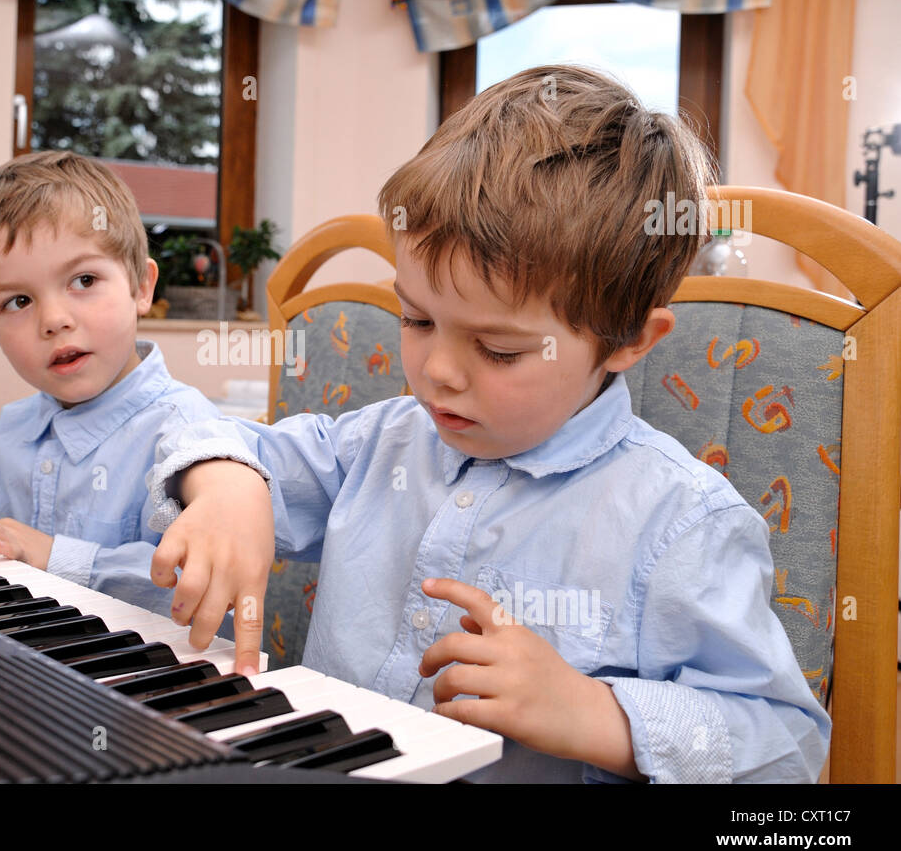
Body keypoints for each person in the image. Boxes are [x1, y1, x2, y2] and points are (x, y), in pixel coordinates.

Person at [145, 65, 831, 782]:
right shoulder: (380, 441)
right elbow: (203, 430)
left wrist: (599, 713)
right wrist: (224, 480)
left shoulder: (681, 523)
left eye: (499, 348)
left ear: (629, 339)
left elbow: (786, 741)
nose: (438, 369)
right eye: (415, 317)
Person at [0, 150, 219, 618]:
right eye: (18, 300)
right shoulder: (19, 424)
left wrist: (52, 556)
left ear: (141, 287)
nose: (54, 320)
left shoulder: (190, 435)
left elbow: (199, 580)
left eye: (84, 279)